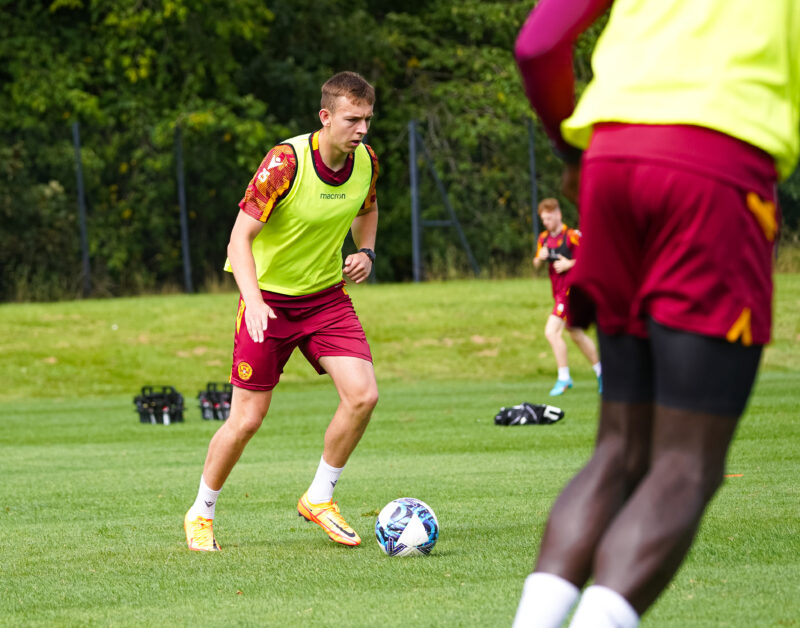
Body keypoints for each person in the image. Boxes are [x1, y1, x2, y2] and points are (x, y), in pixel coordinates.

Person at [513, 1, 799, 626]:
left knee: (619, 449)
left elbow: (537, 45)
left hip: (612, 159)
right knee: (685, 464)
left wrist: (573, 147)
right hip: (716, 170)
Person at [184, 71, 381, 551]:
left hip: (326, 299)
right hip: (268, 300)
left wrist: (366, 252)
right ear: (326, 116)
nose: (361, 130)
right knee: (248, 418)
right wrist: (253, 301)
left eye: (368, 120)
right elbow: (239, 237)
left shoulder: (366, 162)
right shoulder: (284, 162)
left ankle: (319, 496)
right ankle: (201, 511)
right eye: (352, 120)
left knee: (363, 395)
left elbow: (367, 207)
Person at [533, 197, 601, 396]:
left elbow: (592, 257)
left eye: (549, 218)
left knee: (551, 331)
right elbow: (536, 262)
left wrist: (569, 264)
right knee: (575, 333)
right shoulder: (544, 238)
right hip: (557, 292)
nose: (546, 222)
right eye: (543, 219)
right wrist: (540, 257)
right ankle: (602, 372)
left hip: (571, 291)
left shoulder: (571, 236)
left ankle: (564, 377)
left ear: (558, 215)